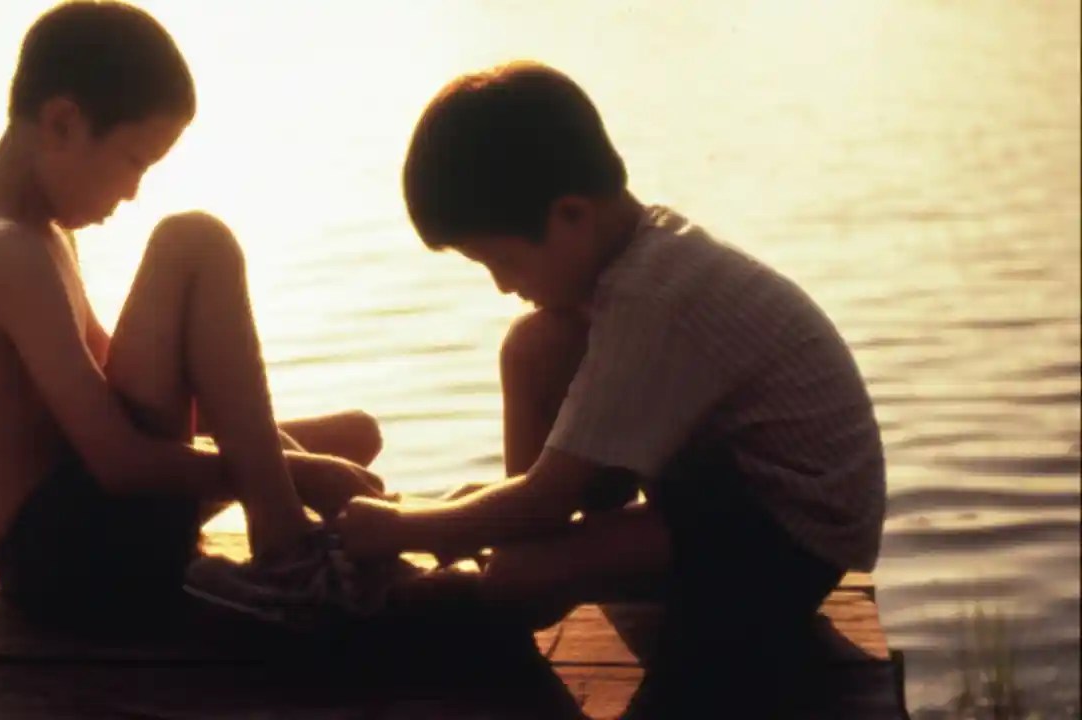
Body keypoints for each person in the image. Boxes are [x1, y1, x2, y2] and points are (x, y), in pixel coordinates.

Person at [336, 61, 887, 717]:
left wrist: (403, 527)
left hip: (789, 538)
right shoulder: (637, 251)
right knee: (534, 344)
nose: (502, 285)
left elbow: (545, 500)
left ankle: (513, 581)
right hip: (720, 490)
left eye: (503, 261)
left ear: (571, 214)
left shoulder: (653, 298)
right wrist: (476, 515)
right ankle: (526, 556)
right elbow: (545, 489)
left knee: (518, 575)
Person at [0, 1, 387, 633]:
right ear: (62, 123)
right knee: (195, 241)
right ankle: (286, 551)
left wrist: (281, 453)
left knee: (353, 436)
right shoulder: (0, 253)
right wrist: (291, 475)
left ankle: (281, 510)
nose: (134, 191)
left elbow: (122, 392)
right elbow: (121, 462)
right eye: (134, 161)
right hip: (68, 562)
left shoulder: (36, 232)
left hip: (90, 524)